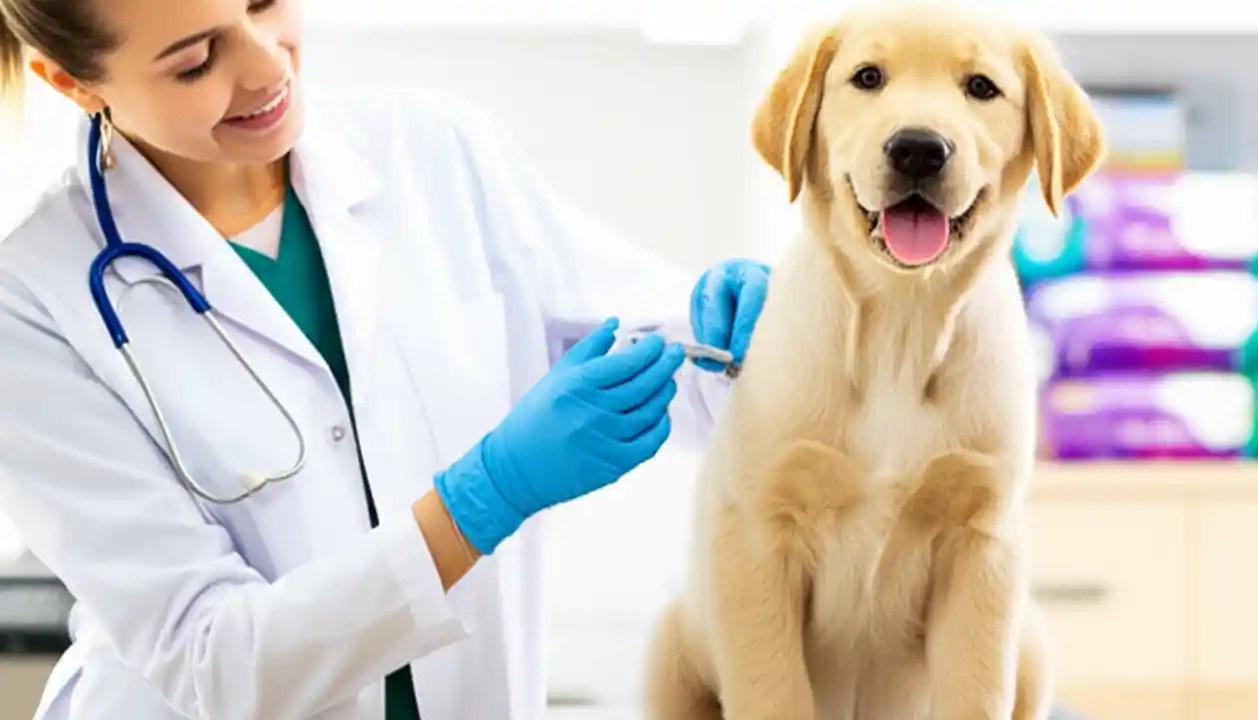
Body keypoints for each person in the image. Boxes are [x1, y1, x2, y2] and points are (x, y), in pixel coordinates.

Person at [0, 1, 771, 718]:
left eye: (265, 1)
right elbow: (217, 661)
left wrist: (776, 335)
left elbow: (690, 374)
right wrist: (485, 497)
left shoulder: (435, 155)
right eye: (197, 61)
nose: (268, 67)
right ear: (73, 83)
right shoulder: (34, 302)